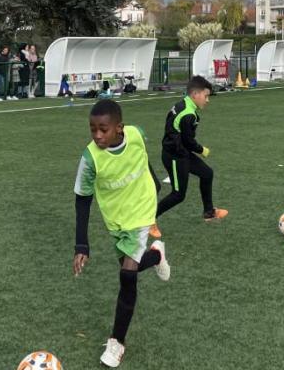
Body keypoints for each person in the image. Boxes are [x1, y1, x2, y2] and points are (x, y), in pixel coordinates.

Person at [73, 99, 171, 368]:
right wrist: (82, 245)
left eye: (103, 129)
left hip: (141, 212)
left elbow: (142, 157)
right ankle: (156, 254)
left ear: (120, 128)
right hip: (116, 220)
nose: (97, 135)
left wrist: (153, 185)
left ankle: (117, 342)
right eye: (92, 129)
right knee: (131, 267)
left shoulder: (136, 134)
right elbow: (82, 199)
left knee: (127, 275)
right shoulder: (90, 158)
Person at [153, 75, 228, 238]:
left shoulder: (183, 104)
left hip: (181, 152)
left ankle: (209, 212)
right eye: (206, 96)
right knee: (178, 195)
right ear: (195, 94)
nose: (207, 100)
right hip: (174, 156)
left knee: (207, 173)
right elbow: (188, 141)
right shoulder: (189, 114)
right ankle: (149, 220)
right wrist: (202, 150)